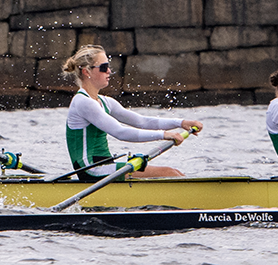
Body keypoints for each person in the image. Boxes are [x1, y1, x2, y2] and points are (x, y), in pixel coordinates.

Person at [62, 45, 200, 180]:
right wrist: (164, 135)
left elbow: (141, 121)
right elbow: (120, 132)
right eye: (104, 68)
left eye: (109, 67)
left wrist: (181, 123)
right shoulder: (83, 102)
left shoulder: (105, 102)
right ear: (87, 71)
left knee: (174, 172)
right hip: (91, 170)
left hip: (105, 166)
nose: (109, 71)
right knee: (170, 173)